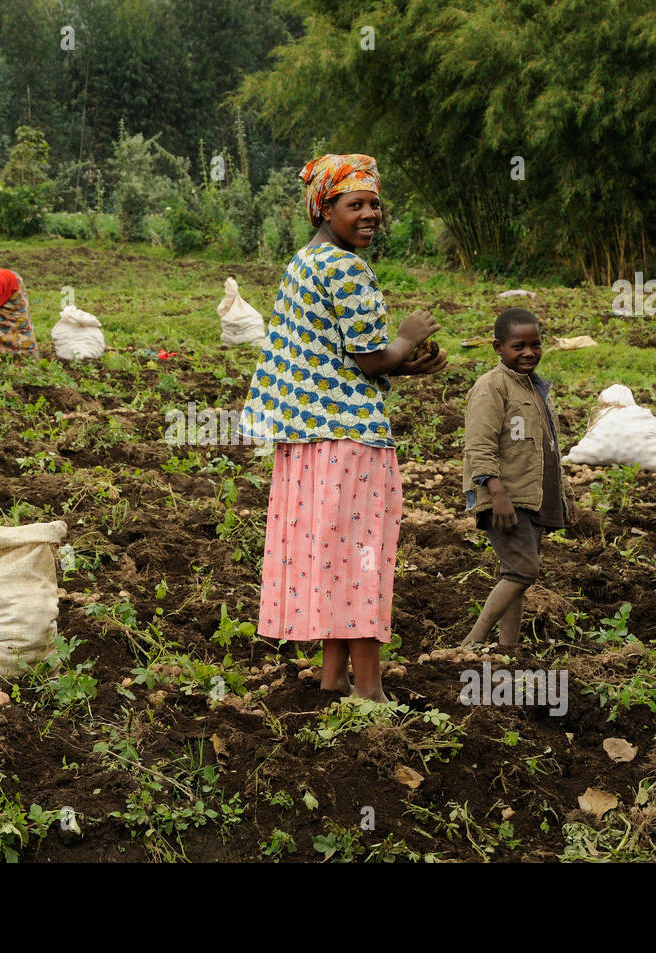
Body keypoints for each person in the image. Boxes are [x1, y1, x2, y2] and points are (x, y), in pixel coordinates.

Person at [240, 153, 447, 703]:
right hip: (351, 442)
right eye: (355, 204)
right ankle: (370, 692)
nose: (370, 213)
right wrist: (408, 338)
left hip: (308, 438)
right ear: (325, 209)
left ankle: (332, 681)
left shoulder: (302, 264)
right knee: (361, 558)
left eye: (375, 203)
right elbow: (370, 360)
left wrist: (404, 363)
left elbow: (337, 358)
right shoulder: (348, 269)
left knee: (330, 557)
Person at [460, 307, 577, 649]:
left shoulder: (536, 390)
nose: (529, 353)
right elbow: (478, 446)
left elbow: (550, 447)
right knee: (523, 570)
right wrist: (496, 493)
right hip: (505, 498)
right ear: (498, 348)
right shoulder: (491, 388)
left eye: (535, 345)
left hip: (533, 496)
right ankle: (473, 640)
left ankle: (508, 647)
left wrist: (566, 493)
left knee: (516, 573)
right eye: (518, 346)